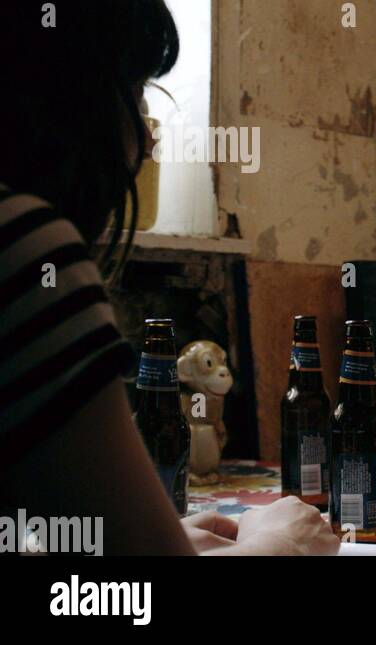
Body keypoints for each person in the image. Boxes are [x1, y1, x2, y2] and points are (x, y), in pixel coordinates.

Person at [0, 0, 338, 556]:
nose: (149, 140)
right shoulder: (23, 254)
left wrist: (141, 538)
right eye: (135, 91)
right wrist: (283, 544)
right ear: (67, 99)